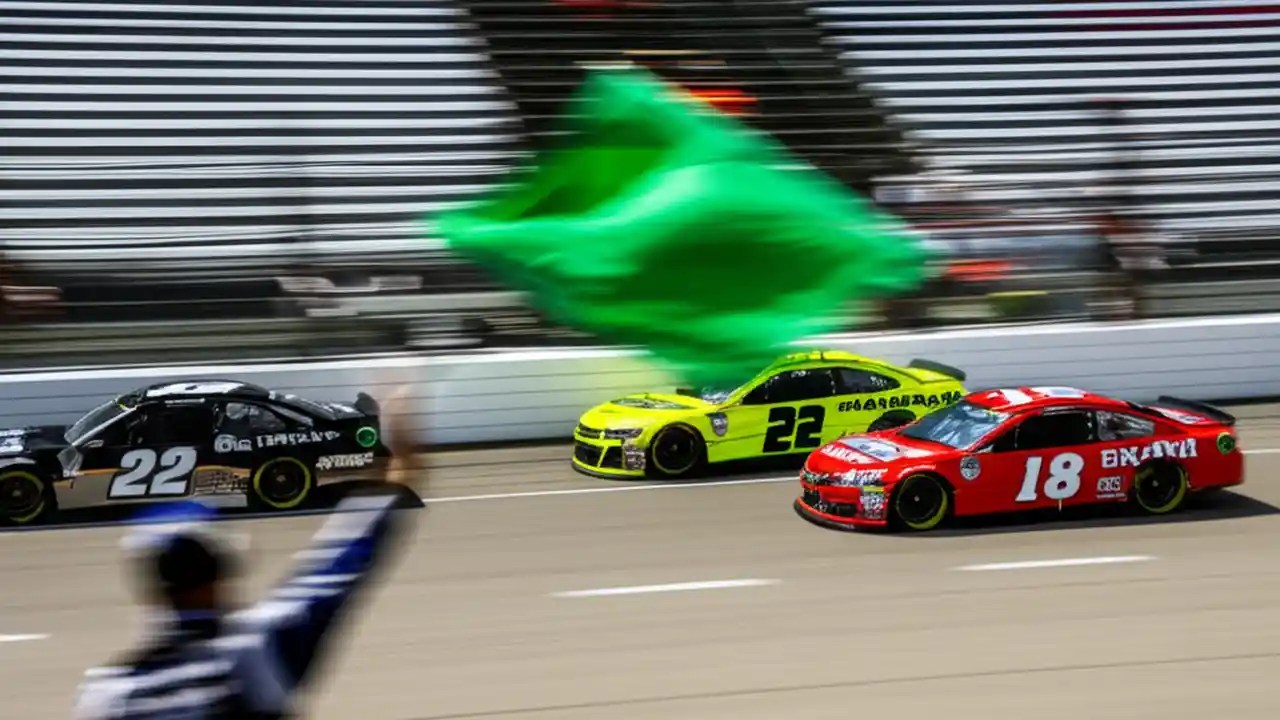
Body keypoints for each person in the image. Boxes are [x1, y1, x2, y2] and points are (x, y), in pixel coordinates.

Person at [73, 386, 424, 720]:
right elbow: (340, 560)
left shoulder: (108, 694)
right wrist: (402, 472)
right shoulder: (256, 650)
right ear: (218, 576)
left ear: (151, 589)